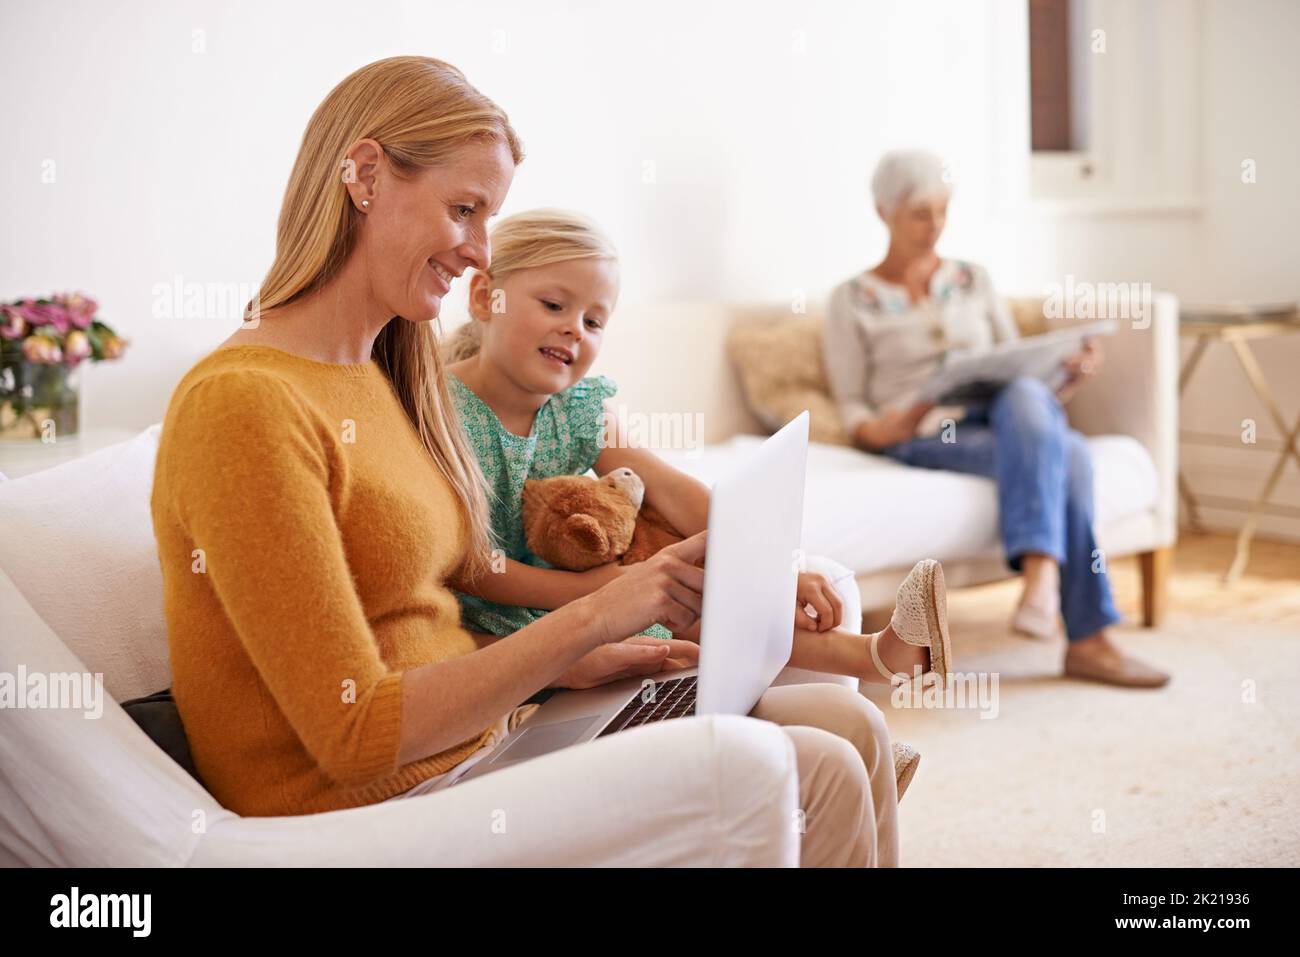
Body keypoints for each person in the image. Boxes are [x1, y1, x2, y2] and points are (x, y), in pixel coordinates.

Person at [150, 56, 889, 865]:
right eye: (463, 209)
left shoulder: (386, 372)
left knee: (850, 723)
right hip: (369, 809)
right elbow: (353, 731)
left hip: (484, 742)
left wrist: (568, 663)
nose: (476, 252)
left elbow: (439, 604)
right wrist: (589, 618)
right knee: (812, 769)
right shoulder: (244, 404)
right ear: (362, 174)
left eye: (487, 218)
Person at [439, 207, 954, 800]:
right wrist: (601, 594)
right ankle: (846, 754)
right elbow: (475, 568)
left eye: (594, 320)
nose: (574, 329)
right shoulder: (448, 415)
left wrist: (774, 565)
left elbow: (675, 492)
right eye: (554, 306)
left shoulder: (576, 406)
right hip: (506, 618)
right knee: (687, 612)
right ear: (484, 298)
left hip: (587, 593)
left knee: (714, 591)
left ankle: (879, 663)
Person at [822, 149, 1169, 689]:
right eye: (920, 213)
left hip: (997, 411)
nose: (934, 226)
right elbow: (850, 406)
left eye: (942, 210)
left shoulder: (972, 280)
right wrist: (883, 426)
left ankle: (1041, 579)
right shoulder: (851, 301)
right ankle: (1085, 633)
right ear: (883, 212)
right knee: (1071, 454)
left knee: (1029, 394)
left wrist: (1068, 374)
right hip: (921, 430)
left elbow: (1020, 369)